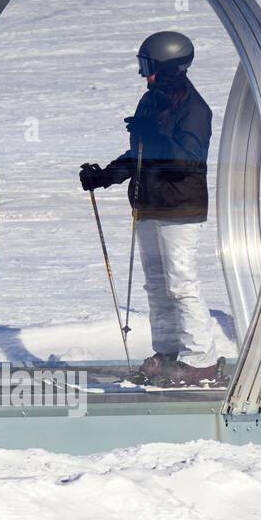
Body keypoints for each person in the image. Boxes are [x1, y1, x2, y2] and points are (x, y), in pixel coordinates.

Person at [79, 31, 224, 387]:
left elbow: (188, 162)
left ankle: (201, 360)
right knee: (157, 287)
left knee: (181, 284)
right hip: (148, 204)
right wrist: (106, 177)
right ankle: (168, 352)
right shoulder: (150, 102)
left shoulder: (194, 108)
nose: (145, 75)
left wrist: (153, 135)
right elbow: (139, 155)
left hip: (180, 207)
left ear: (168, 66)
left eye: (149, 67)